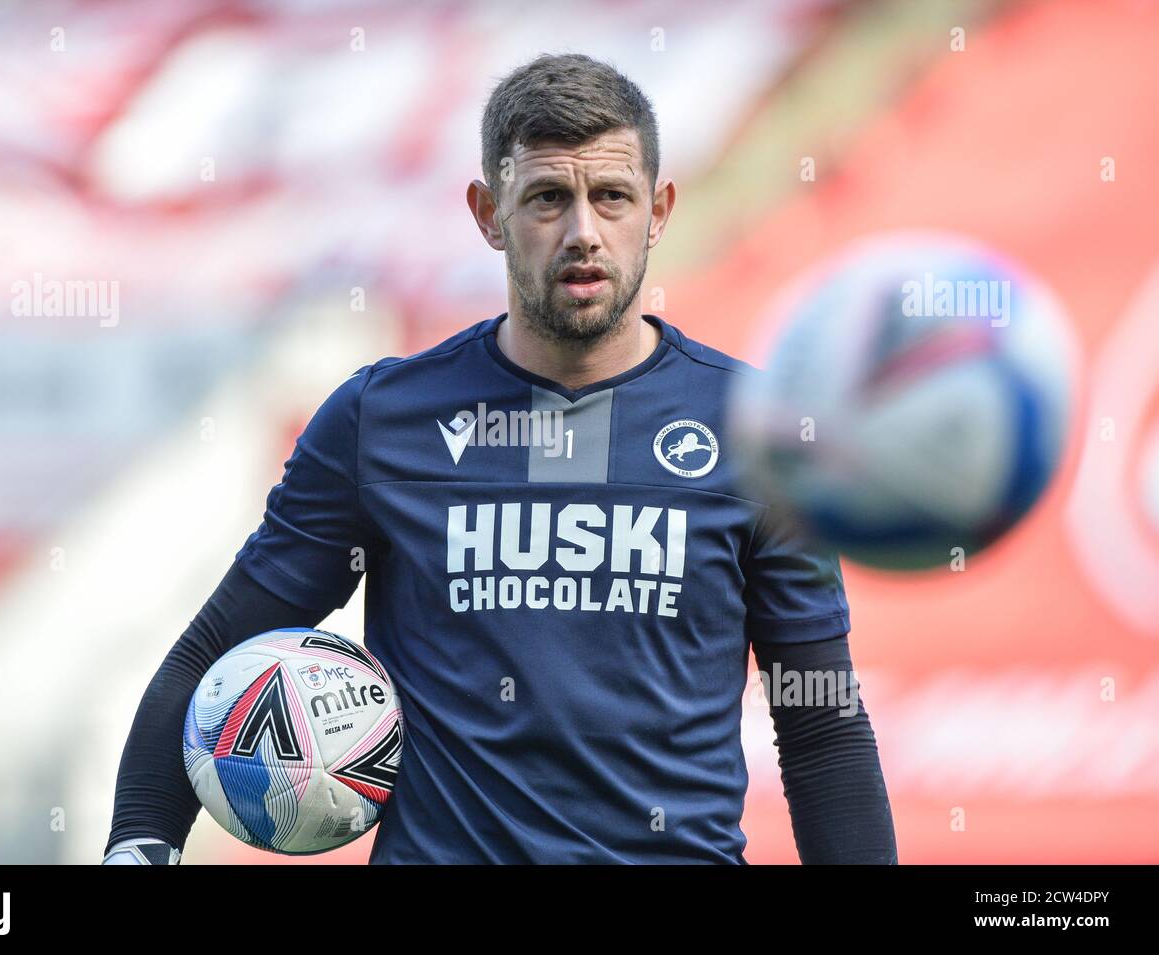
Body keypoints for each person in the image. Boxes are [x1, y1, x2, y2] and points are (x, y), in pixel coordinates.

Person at [104, 52, 896, 865]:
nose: (584, 232)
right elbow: (212, 656)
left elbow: (821, 722)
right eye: (548, 198)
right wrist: (138, 840)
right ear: (489, 212)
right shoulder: (382, 421)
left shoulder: (759, 433)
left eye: (612, 197)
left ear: (658, 210)